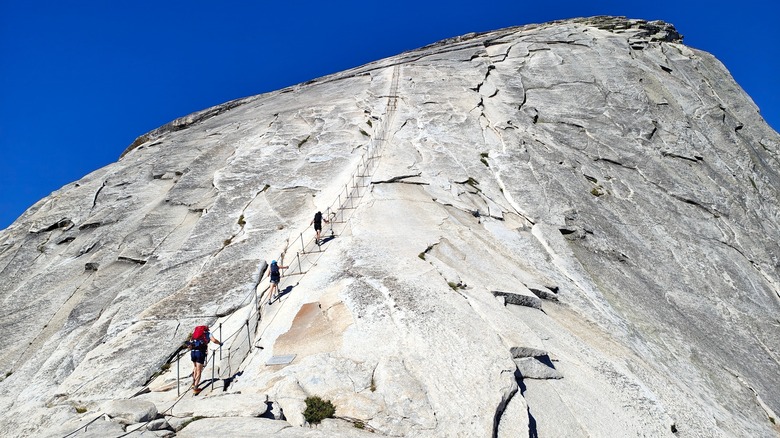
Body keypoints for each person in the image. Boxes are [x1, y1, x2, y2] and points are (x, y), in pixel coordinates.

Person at [187, 325, 222, 395]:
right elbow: (214, 340)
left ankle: (193, 383)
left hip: (193, 352)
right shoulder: (208, 334)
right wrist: (220, 343)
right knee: (199, 371)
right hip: (200, 353)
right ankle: (195, 388)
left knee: (195, 368)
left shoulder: (195, 334)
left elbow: (190, 344)